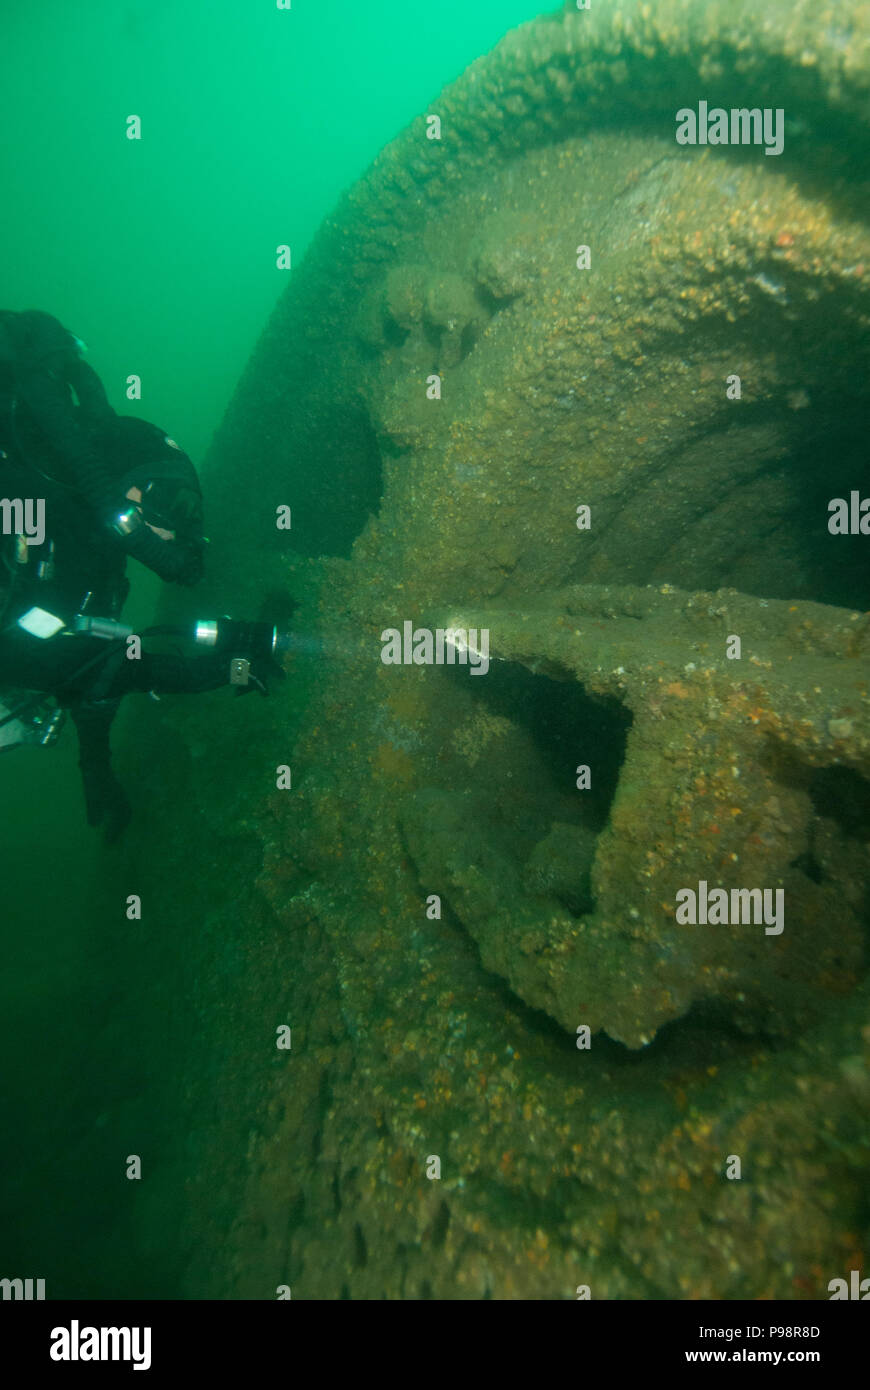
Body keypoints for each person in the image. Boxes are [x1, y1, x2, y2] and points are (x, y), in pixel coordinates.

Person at [0, 309, 282, 841]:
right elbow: (90, 665)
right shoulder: (21, 497)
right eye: (169, 500)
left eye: (190, 510)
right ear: (123, 492)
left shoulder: (96, 556)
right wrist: (227, 668)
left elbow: (93, 668)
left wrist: (95, 765)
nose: (181, 530)